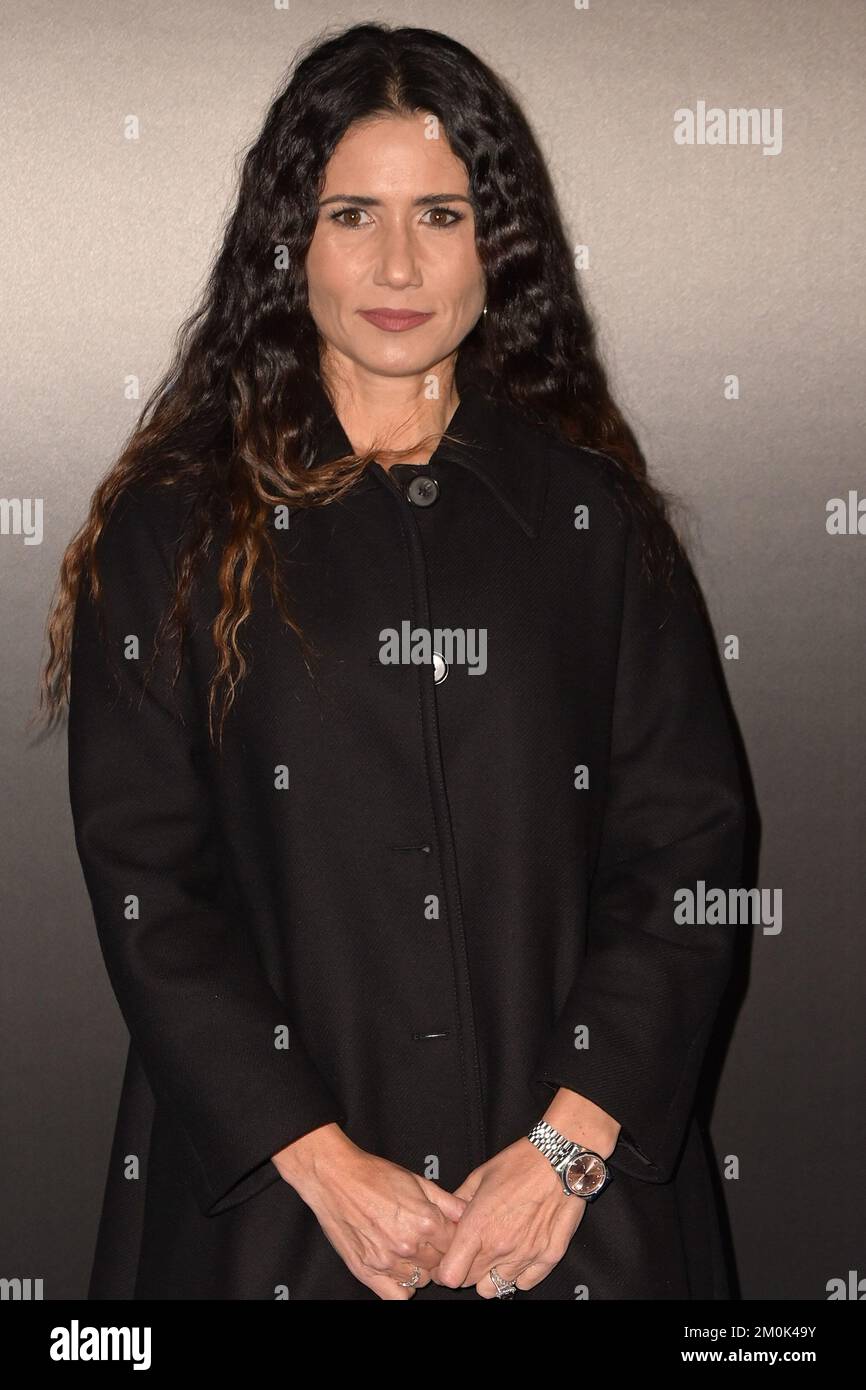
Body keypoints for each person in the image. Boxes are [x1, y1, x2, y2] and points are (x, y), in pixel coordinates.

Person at [40, 22, 748, 1300]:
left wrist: (568, 1146)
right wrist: (314, 1158)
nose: (397, 262)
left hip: (573, 1230)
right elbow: (149, 880)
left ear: (500, 248)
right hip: (275, 1226)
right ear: (287, 242)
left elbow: (687, 851)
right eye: (351, 213)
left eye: (442, 214)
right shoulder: (171, 529)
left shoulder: (595, 521)